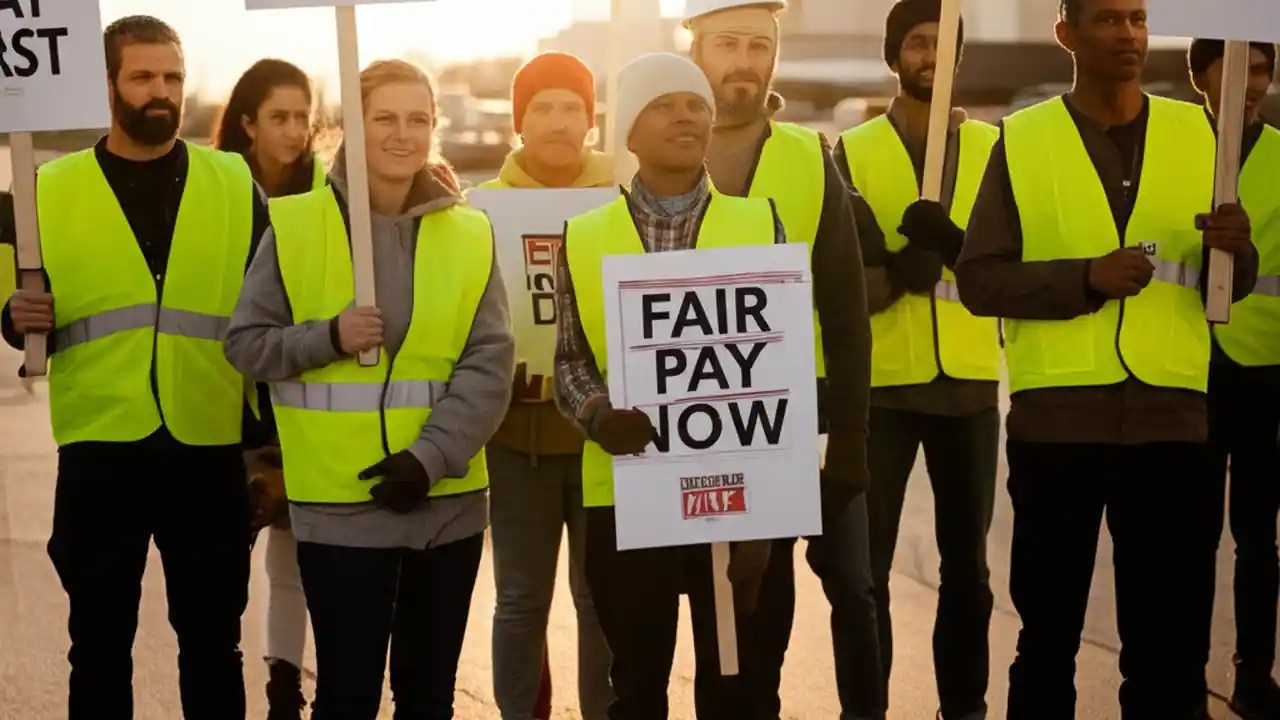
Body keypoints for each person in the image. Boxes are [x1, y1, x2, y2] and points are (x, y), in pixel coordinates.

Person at [954, 0, 1260, 717]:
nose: (1128, 34)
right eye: (1109, 21)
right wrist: (1083, 278)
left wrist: (1238, 251)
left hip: (1174, 424)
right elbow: (979, 278)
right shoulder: (1023, 140)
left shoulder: (1198, 129)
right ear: (1067, 35)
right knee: (1049, 642)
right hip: (1058, 427)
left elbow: (1228, 284)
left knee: (1173, 651)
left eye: (1137, 19)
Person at [223, 58, 514, 720]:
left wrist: (429, 458)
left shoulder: (470, 231)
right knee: (348, 697)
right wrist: (327, 336)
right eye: (384, 117)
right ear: (352, 125)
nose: (402, 133)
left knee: (427, 699)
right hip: (338, 508)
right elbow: (246, 344)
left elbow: (489, 360)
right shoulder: (295, 227)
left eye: (419, 119)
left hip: (446, 506)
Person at [0, 15, 270, 719]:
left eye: (172, 77)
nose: (161, 92)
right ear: (109, 85)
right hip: (100, 448)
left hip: (208, 447)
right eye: (143, 77)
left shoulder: (234, 181)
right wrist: (14, 317)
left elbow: (273, 313)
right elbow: (12, 307)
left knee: (215, 646)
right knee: (97, 646)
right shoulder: (42, 192)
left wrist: (266, 446)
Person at [555, 51, 779, 720]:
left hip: (738, 498)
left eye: (696, 104)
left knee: (736, 687)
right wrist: (597, 415)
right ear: (627, 131)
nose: (686, 115)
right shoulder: (585, 235)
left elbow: (779, 357)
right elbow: (569, 359)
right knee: (639, 686)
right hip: (628, 496)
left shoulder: (759, 224)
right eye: (664, 104)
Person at [681, 1, 878, 717]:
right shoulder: (648, 143)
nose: (744, 59)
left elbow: (847, 310)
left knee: (760, 621)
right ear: (694, 46)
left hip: (779, 424)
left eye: (759, 44)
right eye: (727, 42)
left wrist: (850, 436)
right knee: (696, 625)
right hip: (674, 424)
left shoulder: (806, 155)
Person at [833, 2, 997, 719]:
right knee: (864, 576)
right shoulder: (848, 150)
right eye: (918, 42)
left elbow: (1016, 264)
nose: (932, 54)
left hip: (969, 387)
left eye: (945, 42)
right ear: (894, 54)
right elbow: (838, 279)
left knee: (970, 574)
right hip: (882, 392)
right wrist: (899, 272)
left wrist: (956, 249)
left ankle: (962, 708)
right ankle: (867, 709)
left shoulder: (1000, 148)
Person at [477, 51, 614, 720]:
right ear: (519, 122)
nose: (559, 122)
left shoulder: (624, 199)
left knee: (599, 602)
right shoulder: (480, 209)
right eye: (543, 108)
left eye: (572, 108)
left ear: (591, 120)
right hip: (515, 437)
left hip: (606, 439)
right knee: (522, 600)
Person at [212, 56, 325, 720]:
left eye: (303, 117)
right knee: (223, 576)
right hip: (223, 407)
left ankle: (287, 690)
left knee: (296, 562)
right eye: (279, 117)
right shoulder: (213, 192)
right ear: (248, 122)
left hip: (304, 401)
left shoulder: (329, 197)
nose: (294, 131)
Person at [1187, 37, 1280, 719]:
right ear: (1199, 76)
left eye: (1261, 68)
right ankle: (1182, 668)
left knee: (1257, 536)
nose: (1250, 82)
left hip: (1265, 370)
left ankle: (1253, 673)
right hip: (1185, 363)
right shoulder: (1173, 146)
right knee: (1186, 534)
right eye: (1236, 68)